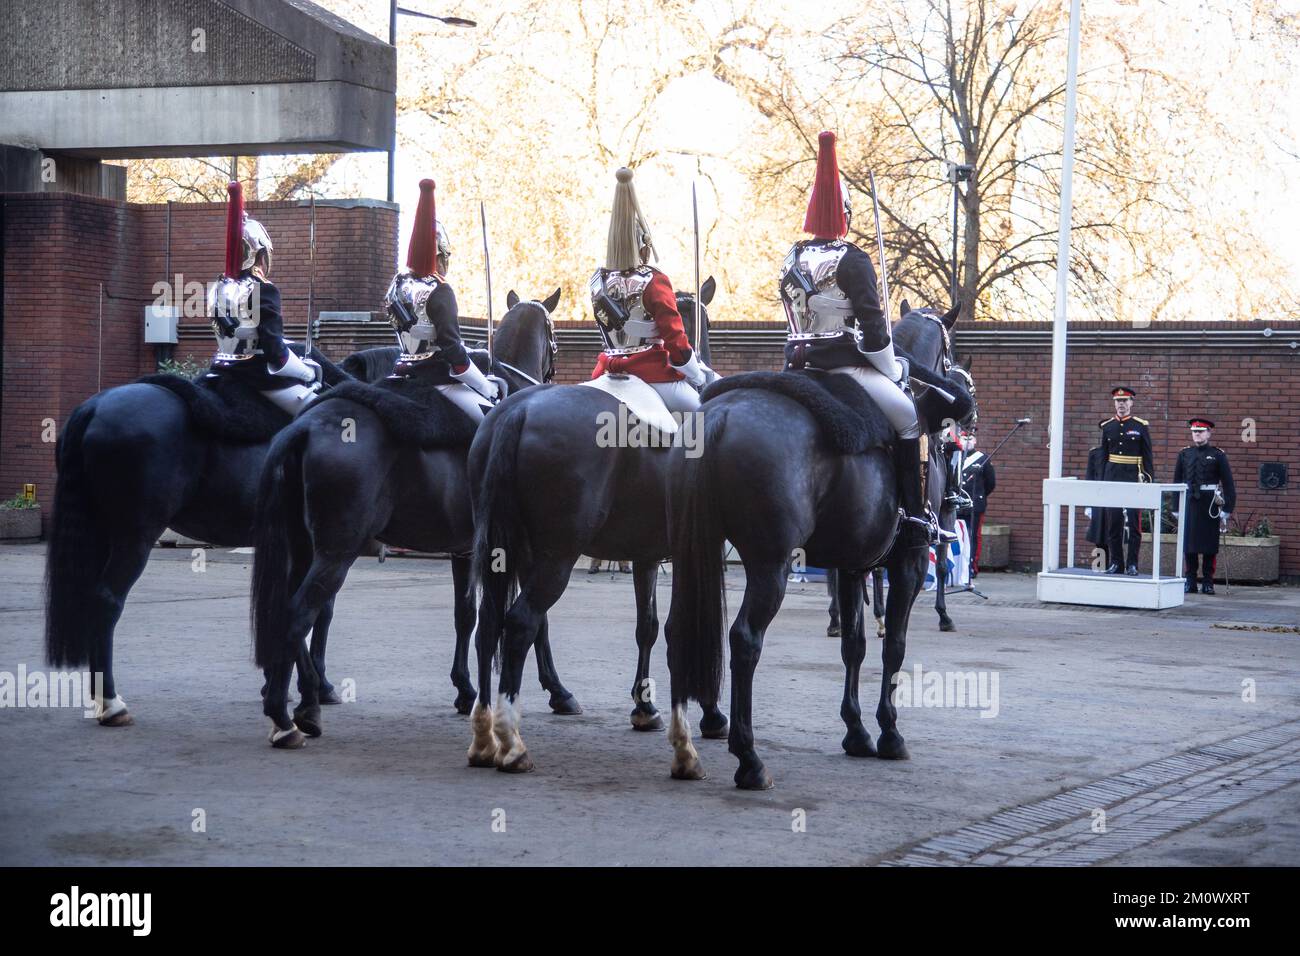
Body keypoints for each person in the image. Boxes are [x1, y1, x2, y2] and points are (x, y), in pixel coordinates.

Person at [779, 130, 955, 544]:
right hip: (846, 367)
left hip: (797, 365)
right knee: (910, 420)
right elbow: (876, 335)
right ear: (846, 215)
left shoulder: (791, 258)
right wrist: (893, 368)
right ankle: (914, 515)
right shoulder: (853, 259)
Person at [589, 167, 716, 413]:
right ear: (644, 247)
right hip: (652, 374)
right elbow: (676, 341)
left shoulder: (598, 282)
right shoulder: (654, 280)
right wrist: (696, 375)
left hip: (604, 371)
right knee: (705, 415)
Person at [385, 179, 501, 421]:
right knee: (495, 420)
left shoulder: (397, 283)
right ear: (442, 255)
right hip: (436, 378)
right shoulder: (440, 290)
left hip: (400, 371)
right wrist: (486, 387)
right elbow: (454, 355)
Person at [208, 181, 321, 416]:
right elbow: (274, 352)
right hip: (256, 375)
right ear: (260, 254)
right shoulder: (264, 290)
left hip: (221, 367)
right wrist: (307, 372)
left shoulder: (219, 286)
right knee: (318, 412)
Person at [1174, 418, 1236, 594]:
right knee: (1189, 544)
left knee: (1209, 544)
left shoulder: (1218, 455)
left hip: (1209, 503)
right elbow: (1176, 481)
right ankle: (1190, 580)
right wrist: (1176, 507)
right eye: (1195, 431)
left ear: (1209, 433)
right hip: (1190, 502)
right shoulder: (1184, 454)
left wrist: (1226, 509)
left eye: (1201, 431)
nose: (1197, 434)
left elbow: (1228, 484)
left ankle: (1208, 581)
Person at [1099, 386, 1153, 575]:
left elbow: (1147, 455)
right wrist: (1101, 482)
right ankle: (1116, 563)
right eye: (1118, 401)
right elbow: (1103, 457)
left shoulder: (1140, 426)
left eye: (1124, 401)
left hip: (1133, 477)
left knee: (1134, 524)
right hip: (1112, 477)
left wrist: (1148, 480)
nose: (1121, 404)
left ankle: (1132, 564)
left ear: (1131, 403)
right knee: (1114, 523)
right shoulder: (1107, 426)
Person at [958, 429, 996, 576]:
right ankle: (958, 567)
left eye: (970, 438)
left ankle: (971, 566)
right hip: (958, 504)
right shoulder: (954, 457)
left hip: (975, 504)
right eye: (964, 438)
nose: (967, 441)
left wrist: (979, 495)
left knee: (973, 536)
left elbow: (990, 483)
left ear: (975, 441)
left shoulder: (983, 459)